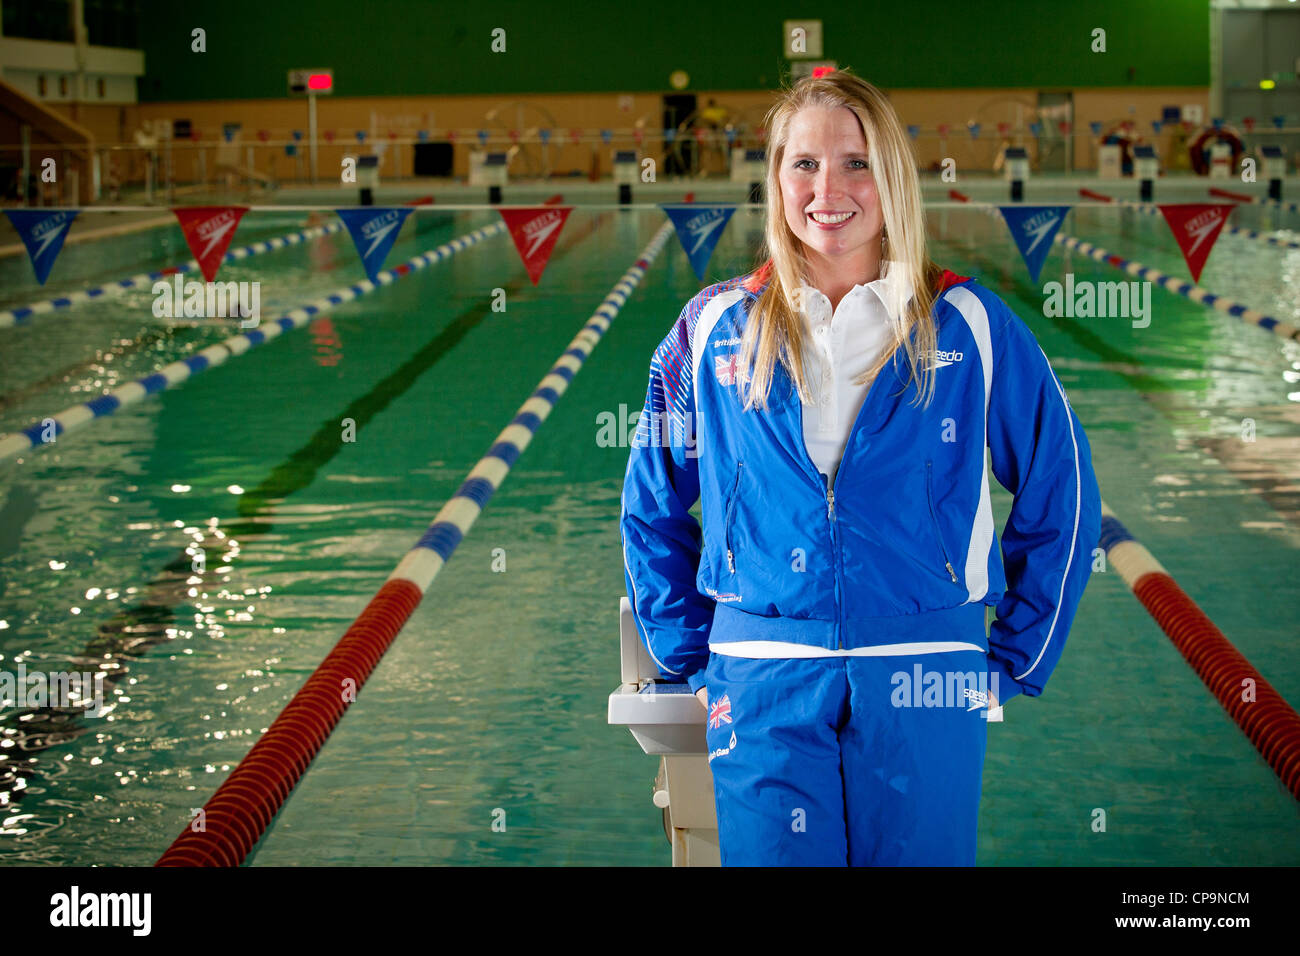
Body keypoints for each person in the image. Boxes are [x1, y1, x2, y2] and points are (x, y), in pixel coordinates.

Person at [620, 68, 1102, 866]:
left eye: (856, 162)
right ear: (776, 180)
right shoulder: (712, 329)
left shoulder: (970, 324)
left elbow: (1065, 486)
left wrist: (1018, 654)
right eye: (803, 163)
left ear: (893, 179)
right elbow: (650, 502)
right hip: (764, 673)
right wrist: (688, 657)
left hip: (927, 668)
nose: (827, 189)